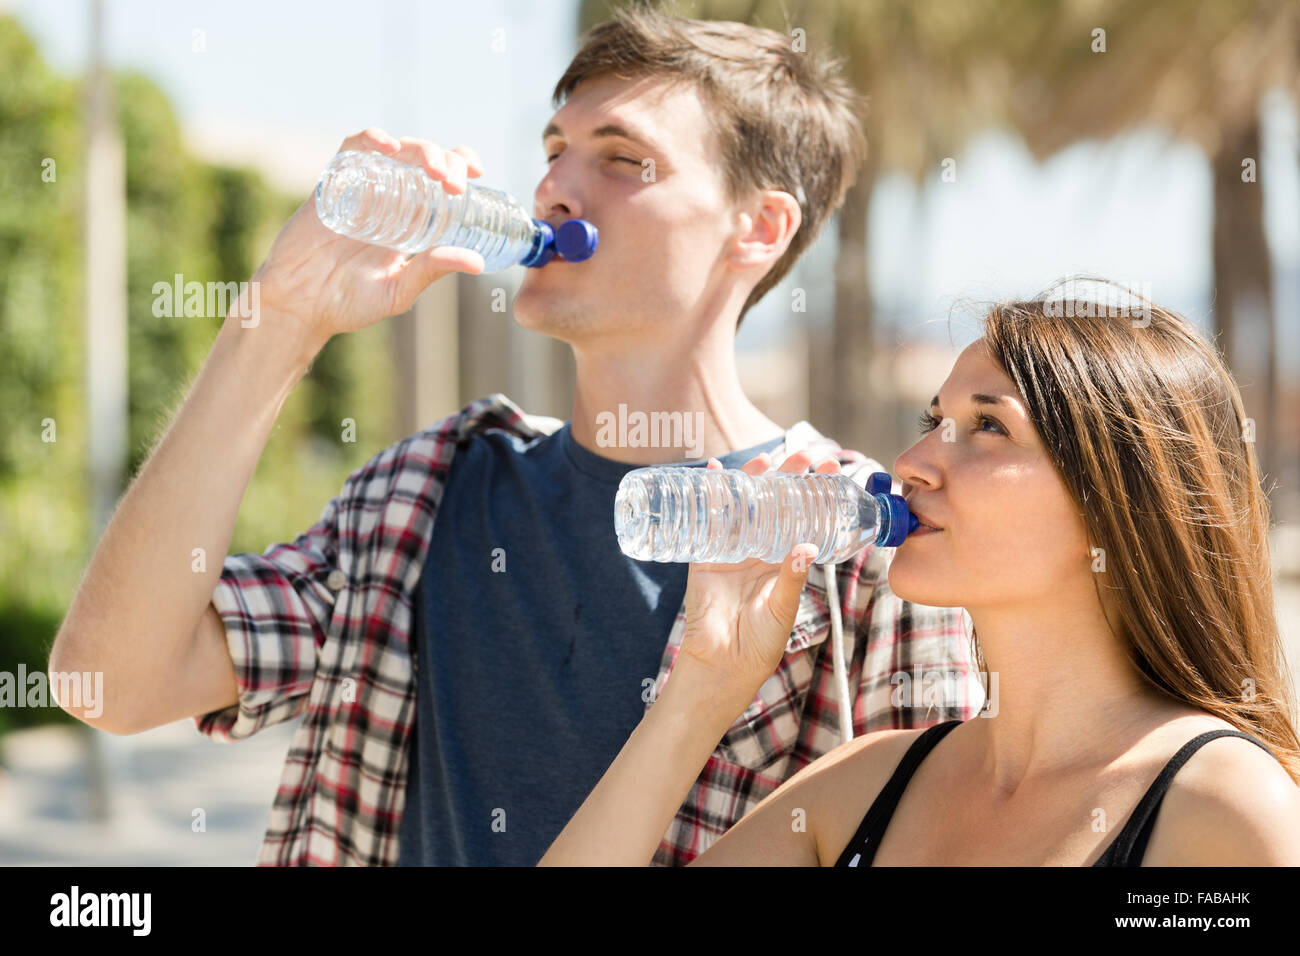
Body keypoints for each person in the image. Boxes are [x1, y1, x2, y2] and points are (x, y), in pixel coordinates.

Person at [48, 9, 982, 865]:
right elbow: (108, 686)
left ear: (759, 226)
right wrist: (278, 321)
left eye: (621, 159)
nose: (552, 187)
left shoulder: (862, 553)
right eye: (554, 148)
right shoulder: (425, 495)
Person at [540, 283, 1300, 866]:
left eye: (988, 427)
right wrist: (701, 691)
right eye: (930, 423)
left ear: (1116, 506)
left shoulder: (1219, 809)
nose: (911, 464)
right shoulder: (863, 789)